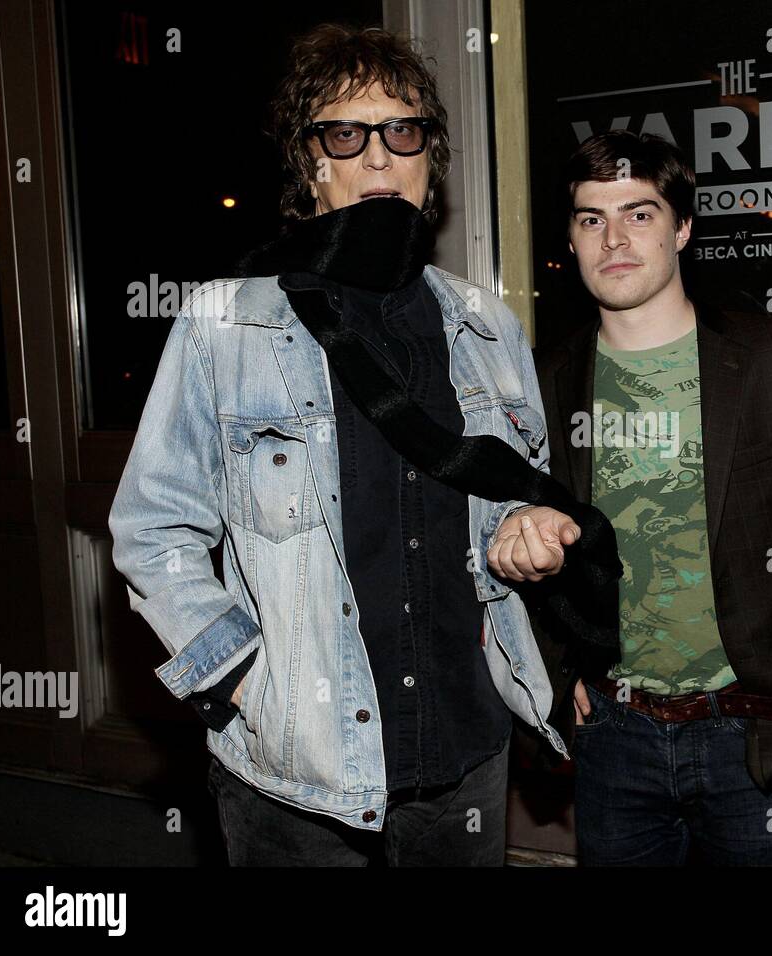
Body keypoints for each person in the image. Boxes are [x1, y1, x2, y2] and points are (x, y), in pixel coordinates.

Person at [108, 23, 578, 866]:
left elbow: (519, 487)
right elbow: (154, 524)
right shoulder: (226, 323)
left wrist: (525, 530)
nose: (377, 159)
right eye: (344, 134)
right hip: (297, 775)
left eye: (403, 132)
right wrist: (241, 678)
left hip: (465, 757)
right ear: (307, 163)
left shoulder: (486, 326)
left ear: (429, 159)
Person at [508, 130, 772, 865]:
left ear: (684, 228)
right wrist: (551, 662)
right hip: (613, 738)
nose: (614, 238)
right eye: (591, 219)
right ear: (570, 240)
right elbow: (526, 536)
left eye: (639, 213)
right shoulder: (546, 381)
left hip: (756, 734)